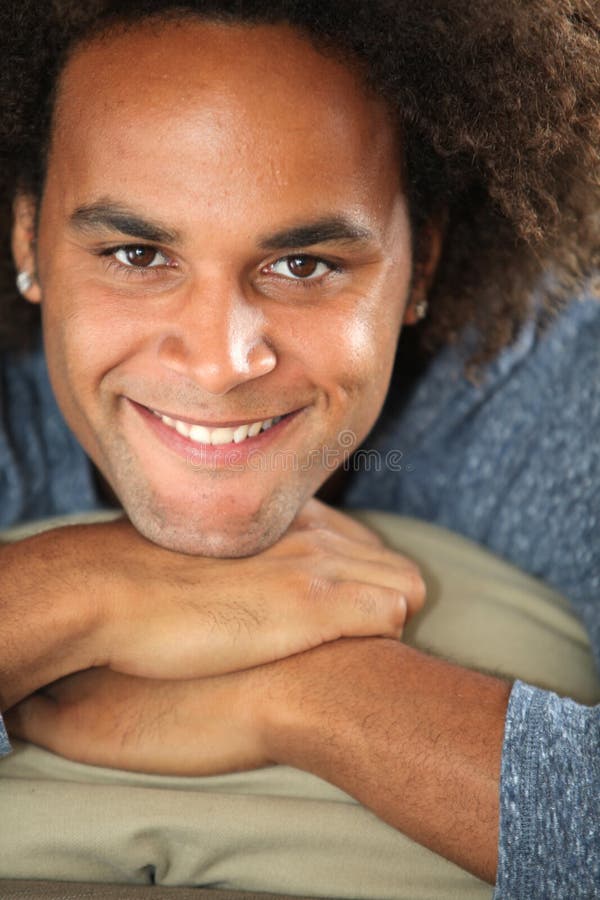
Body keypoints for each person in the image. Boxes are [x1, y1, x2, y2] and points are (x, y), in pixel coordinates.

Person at [0, 1, 598, 897]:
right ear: (29, 241)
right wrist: (77, 588)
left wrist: (317, 701)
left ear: (419, 266)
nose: (220, 362)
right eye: (134, 254)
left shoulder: (553, 393)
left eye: (304, 265)